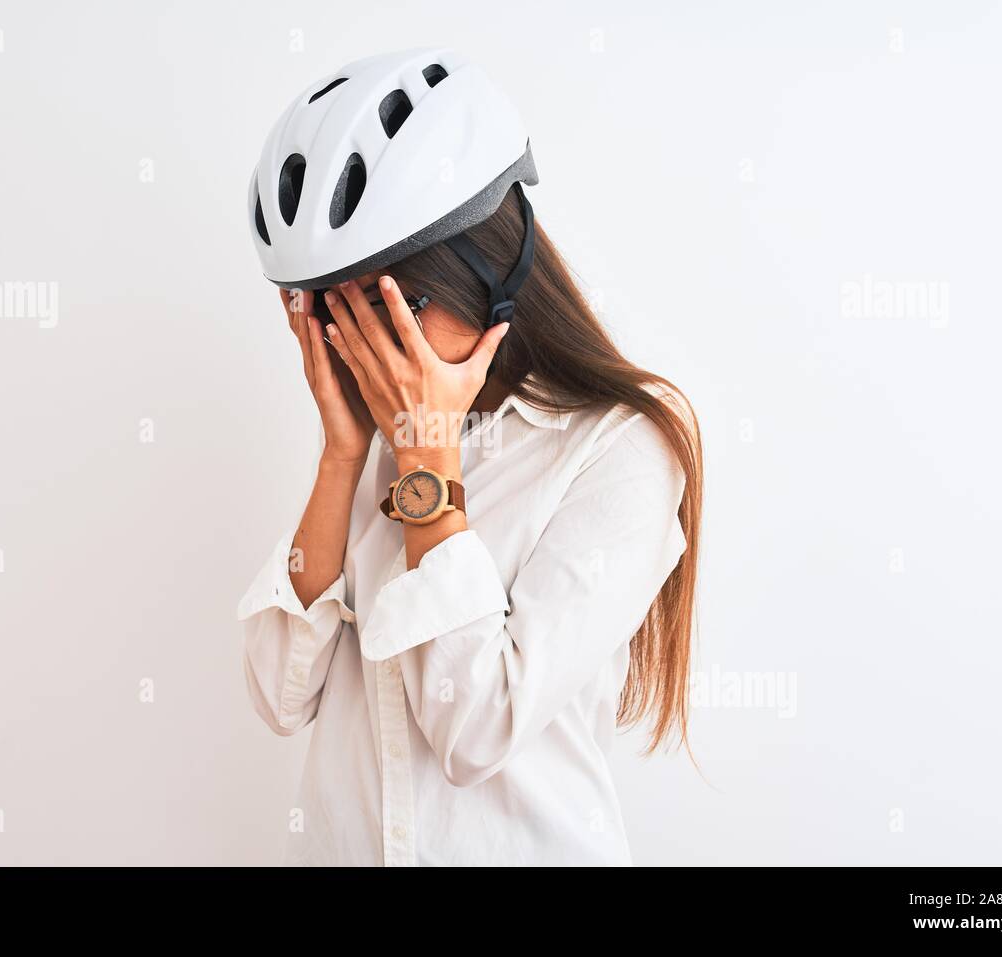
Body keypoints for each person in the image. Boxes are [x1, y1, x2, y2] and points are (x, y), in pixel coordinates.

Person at [237, 47, 702, 866]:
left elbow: (474, 729)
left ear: (492, 272)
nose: (366, 348)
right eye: (335, 315)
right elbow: (278, 694)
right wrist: (344, 456)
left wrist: (425, 463)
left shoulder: (622, 450)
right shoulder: (377, 437)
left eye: (392, 308)